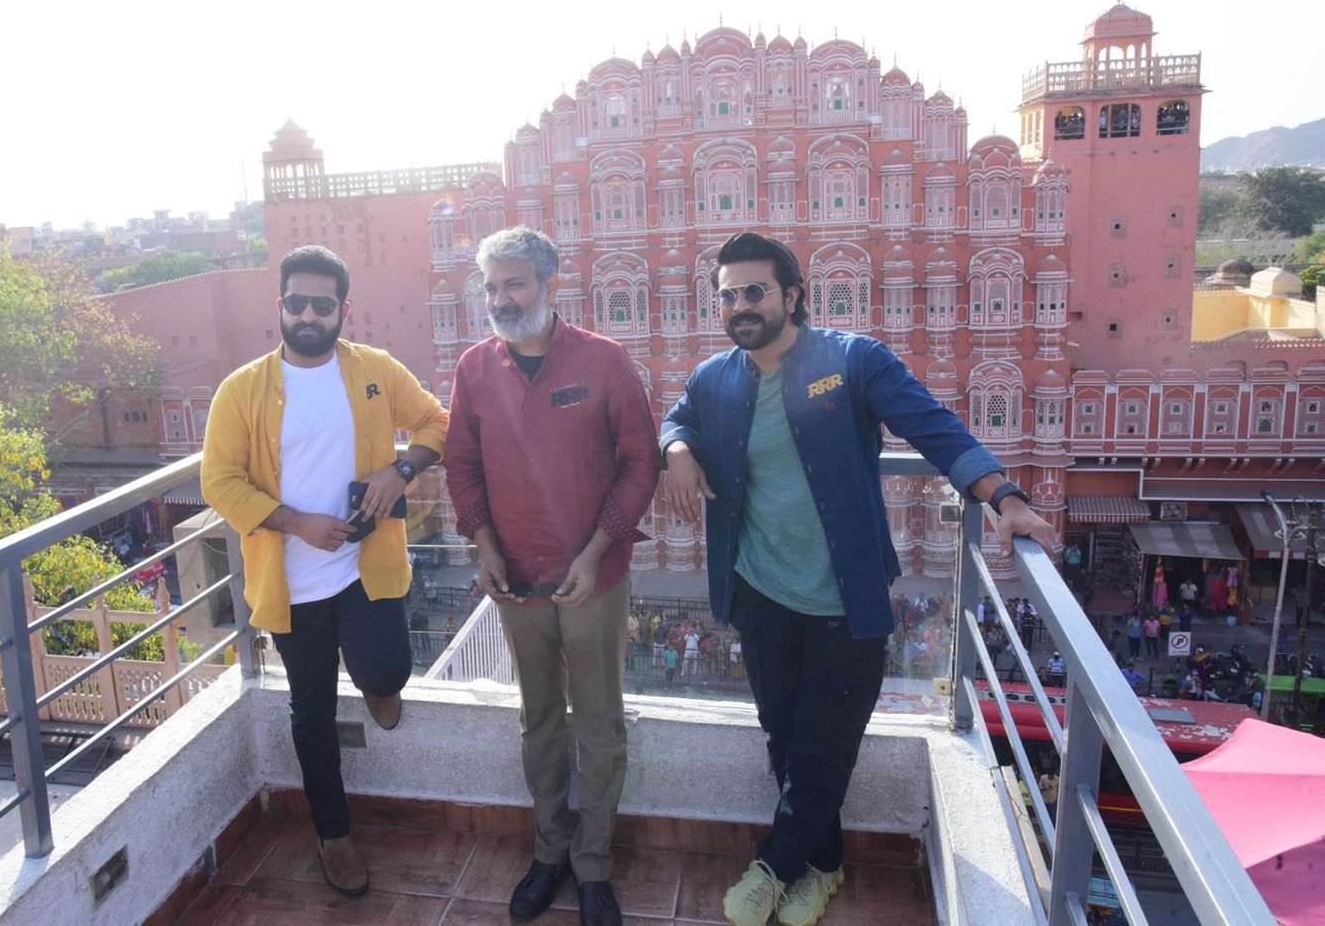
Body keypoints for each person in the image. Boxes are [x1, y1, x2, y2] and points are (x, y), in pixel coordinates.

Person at [661, 232, 1057, 926]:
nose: (741, 306)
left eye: (755, 291)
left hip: (845, 600)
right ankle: (826, 865)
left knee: (825, 749)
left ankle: (774, 865)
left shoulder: (850, 361)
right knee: (786, 741)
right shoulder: (716, 376)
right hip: (759, 596)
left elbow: (935, 428)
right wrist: (678, 449)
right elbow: (678, 415)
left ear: (792, 296)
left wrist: (1005, 497)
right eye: (728, 294)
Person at [200, 245, 449, 897]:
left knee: (388, 670)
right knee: (311, 714)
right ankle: (333, 837)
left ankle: (377, 681)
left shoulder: (373, 371)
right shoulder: (243, 390)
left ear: (343, 310)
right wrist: (292, 521)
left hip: (364, 567)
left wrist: (399, 471)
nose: (308, 315)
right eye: (296, 302)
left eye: (322, 304)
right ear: (279, 306)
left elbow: (435, 422)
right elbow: (219, 481)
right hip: (292, 587)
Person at [443, 226, 661, 926]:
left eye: (514, 284)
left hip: (592, 578)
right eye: (491, 287)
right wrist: (482, 543)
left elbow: (640, 461)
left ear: (549, 283)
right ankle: (549, 854)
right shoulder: (475, 369)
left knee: (597, 722)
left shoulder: (604, 362)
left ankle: (594, 865)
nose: (501, 299)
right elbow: (462, 466)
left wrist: (597, 552)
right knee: (538, 721)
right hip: (515, 580)